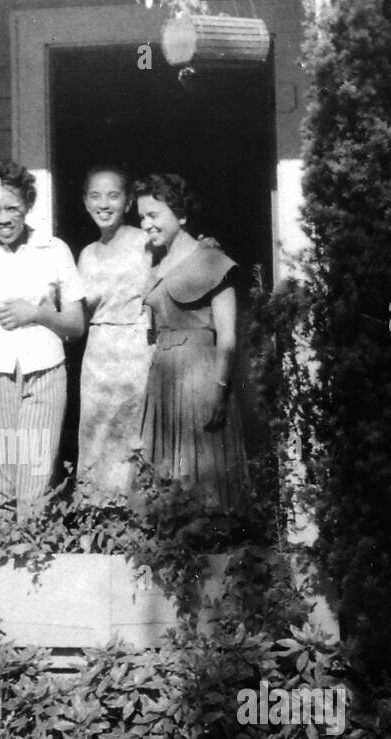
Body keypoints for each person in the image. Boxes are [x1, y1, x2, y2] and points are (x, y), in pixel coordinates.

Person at [0, 158, 86, 512]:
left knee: (36, 478)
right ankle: (4, 558)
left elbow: (75, 325)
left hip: (44, 373)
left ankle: (36, 558)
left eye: (12, 207)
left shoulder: (54, 250)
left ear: (28, 204)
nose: (3, 218)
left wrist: (38, 313)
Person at [133, 172, 249, 509]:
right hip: (164, 377)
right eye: (141, 217)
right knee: (165, 479)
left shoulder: (211, 258)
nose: (146, 224)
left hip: (200, 377)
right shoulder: (155, 261)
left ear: (180, 215)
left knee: (204, 473)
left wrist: (220, 388)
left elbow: (227, 336)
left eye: (153, 215)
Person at [74, 165, 154, 496]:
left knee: (136, 433)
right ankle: (98, 517)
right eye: (95, 196)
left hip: (138, 348)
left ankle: (138, 514)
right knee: (96, 434)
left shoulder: (147, 242)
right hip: (98, 355)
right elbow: (77, 314)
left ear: (128, 202)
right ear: (85, 202)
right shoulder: (86, 254)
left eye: (113, 195)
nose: (103, 204)